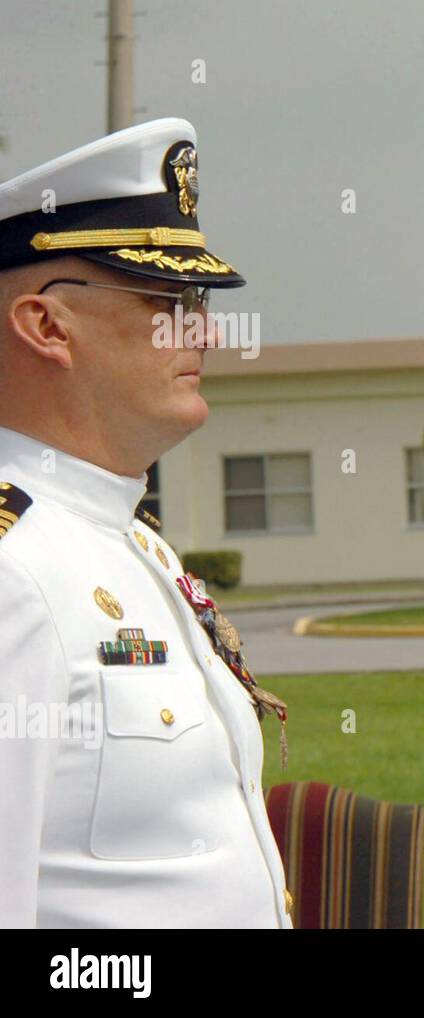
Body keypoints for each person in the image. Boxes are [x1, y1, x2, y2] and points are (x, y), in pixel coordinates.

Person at [0, 119, 293, 927]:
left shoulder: (136, 543)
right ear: (47, 326)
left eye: (197, 301)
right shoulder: (13, 570)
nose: (204, 331)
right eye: (167, 300)